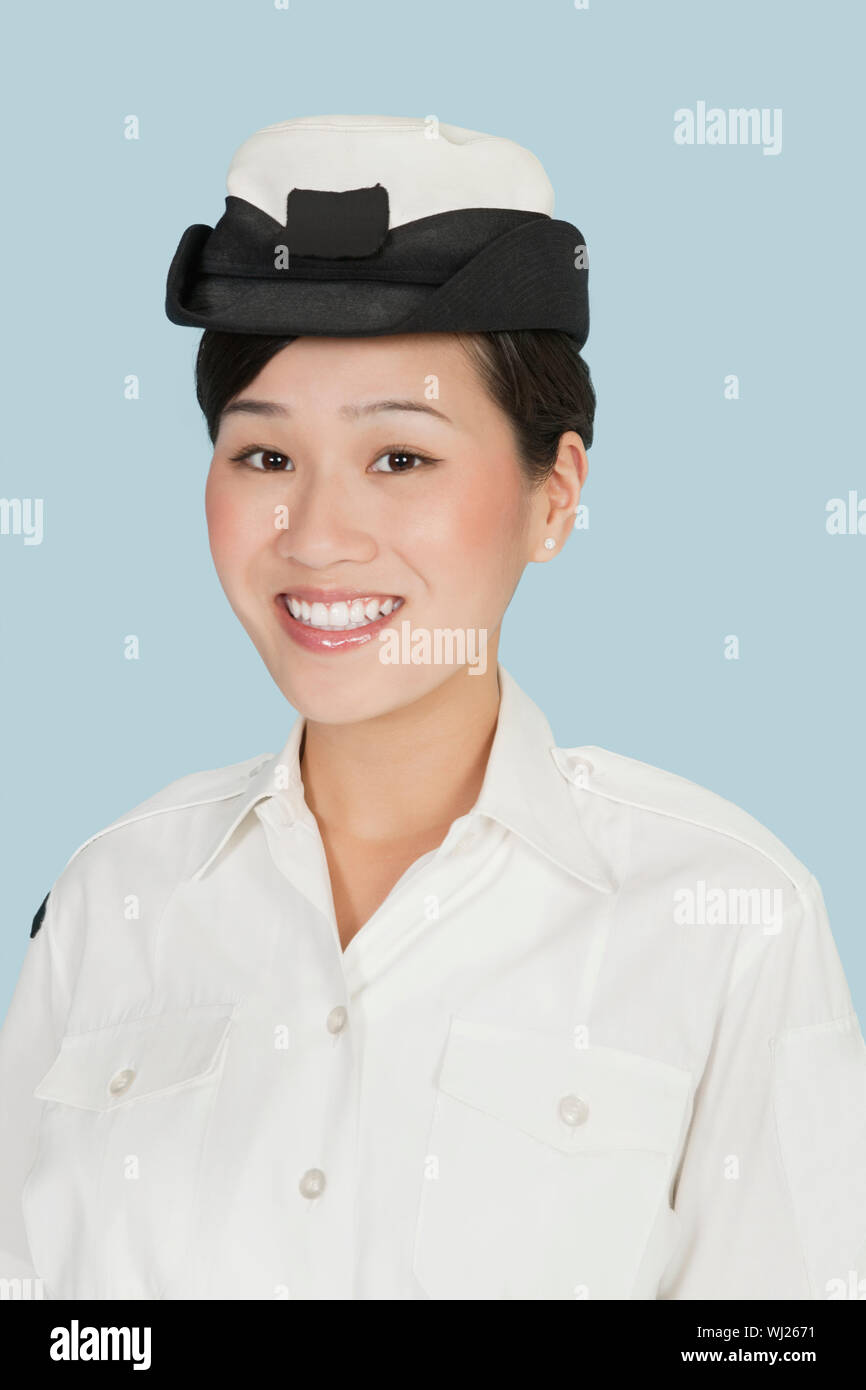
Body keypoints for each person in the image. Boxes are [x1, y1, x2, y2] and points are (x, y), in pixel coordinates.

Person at [1, 114, 864, 1302]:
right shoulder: (112, 901)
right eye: (263, 457)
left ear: (552, 496)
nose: (315, 535)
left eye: (398, 458)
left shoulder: (726, 922)